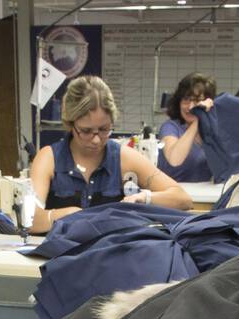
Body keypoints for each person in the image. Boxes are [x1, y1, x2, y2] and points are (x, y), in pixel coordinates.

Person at [29, 75, 190, 234]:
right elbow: (29, 220)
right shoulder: (49, 159)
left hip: (112, 255)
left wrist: (145, 198)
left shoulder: (124, 158)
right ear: (70, 124)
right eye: (86, 131)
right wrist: (66, 215)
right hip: (62, 255)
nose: (97, 140)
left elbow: (182, 199)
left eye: (104, 129)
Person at [157, 73, 216, 183]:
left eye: (197, 101)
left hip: (204, 196)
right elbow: (174, 159)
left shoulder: (212, 130)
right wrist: (199, 119)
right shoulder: (171, 127)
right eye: (186, 100)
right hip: (172, 194)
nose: (190, 107)